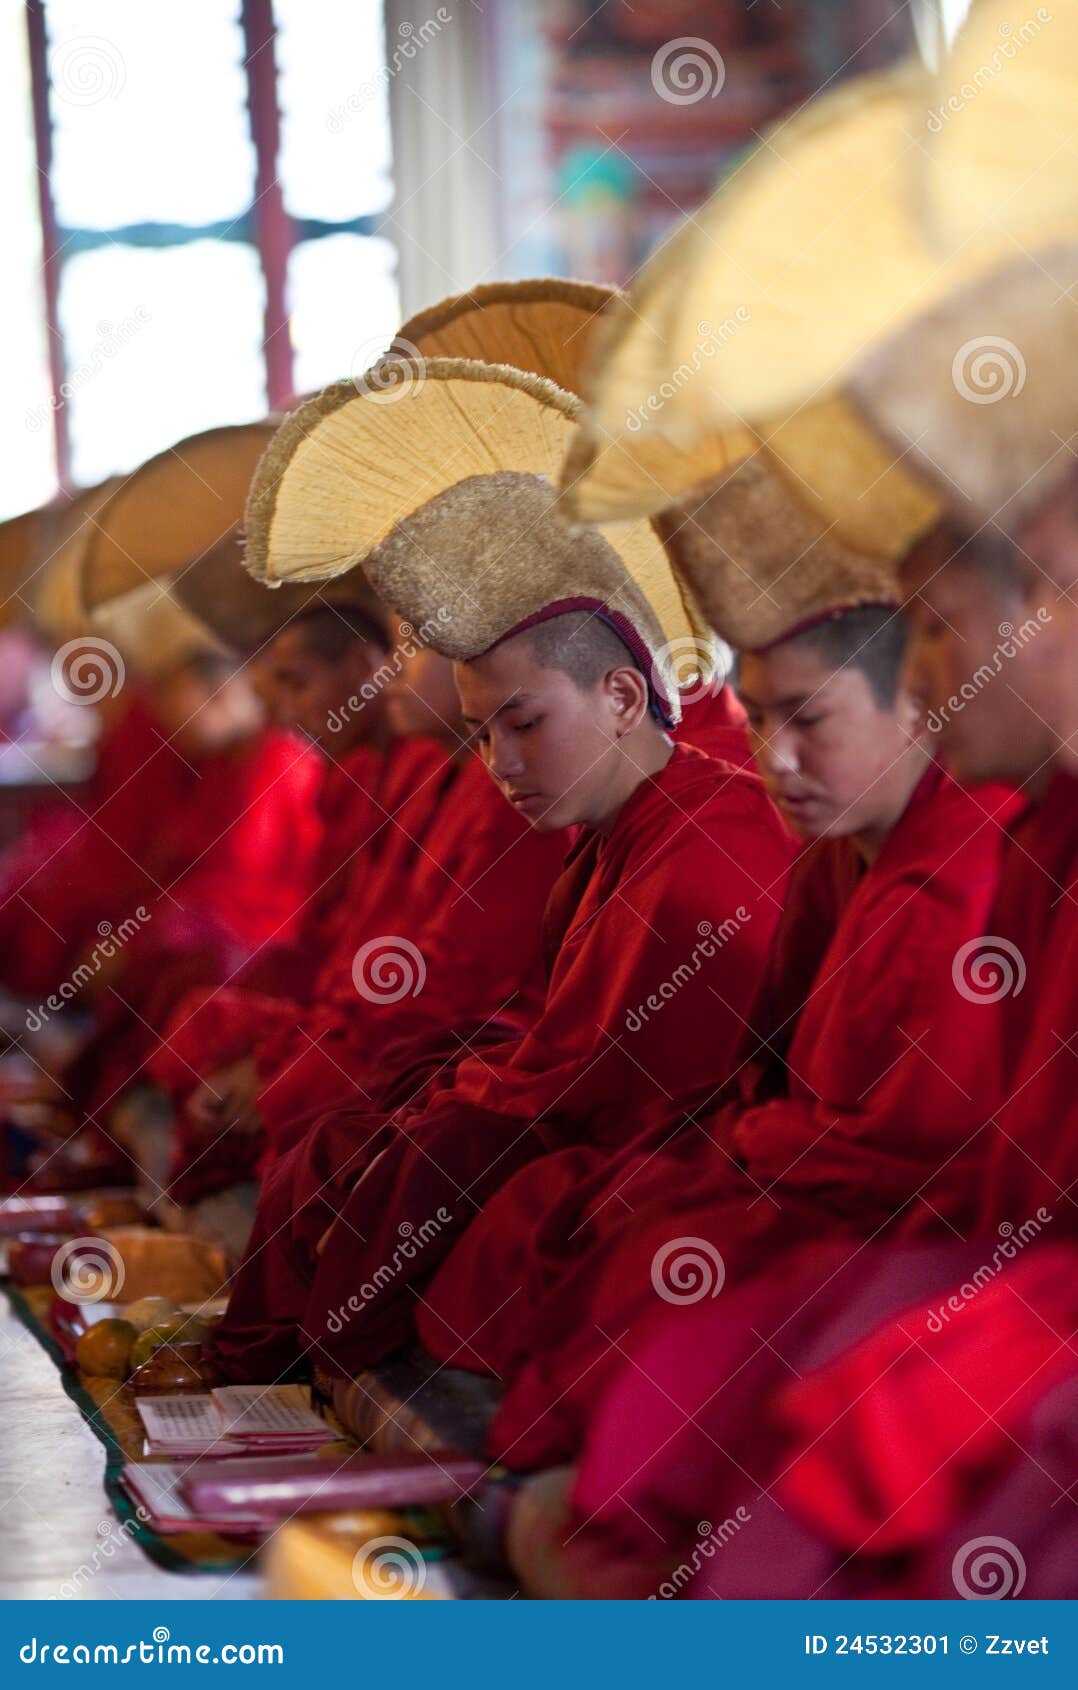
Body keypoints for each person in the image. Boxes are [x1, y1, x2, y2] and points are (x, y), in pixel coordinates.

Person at [197, 359, 793, 1386]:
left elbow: (611, 1091)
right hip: (593, 1141)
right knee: (389, 1142)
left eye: (523, 724)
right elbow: (530, 1041)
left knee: (490, 1208)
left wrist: (457, 1110)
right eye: (479, 734)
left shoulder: (706, 853)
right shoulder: (601, 831)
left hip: (699, 1173)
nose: (500, 764)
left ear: (619, 695)